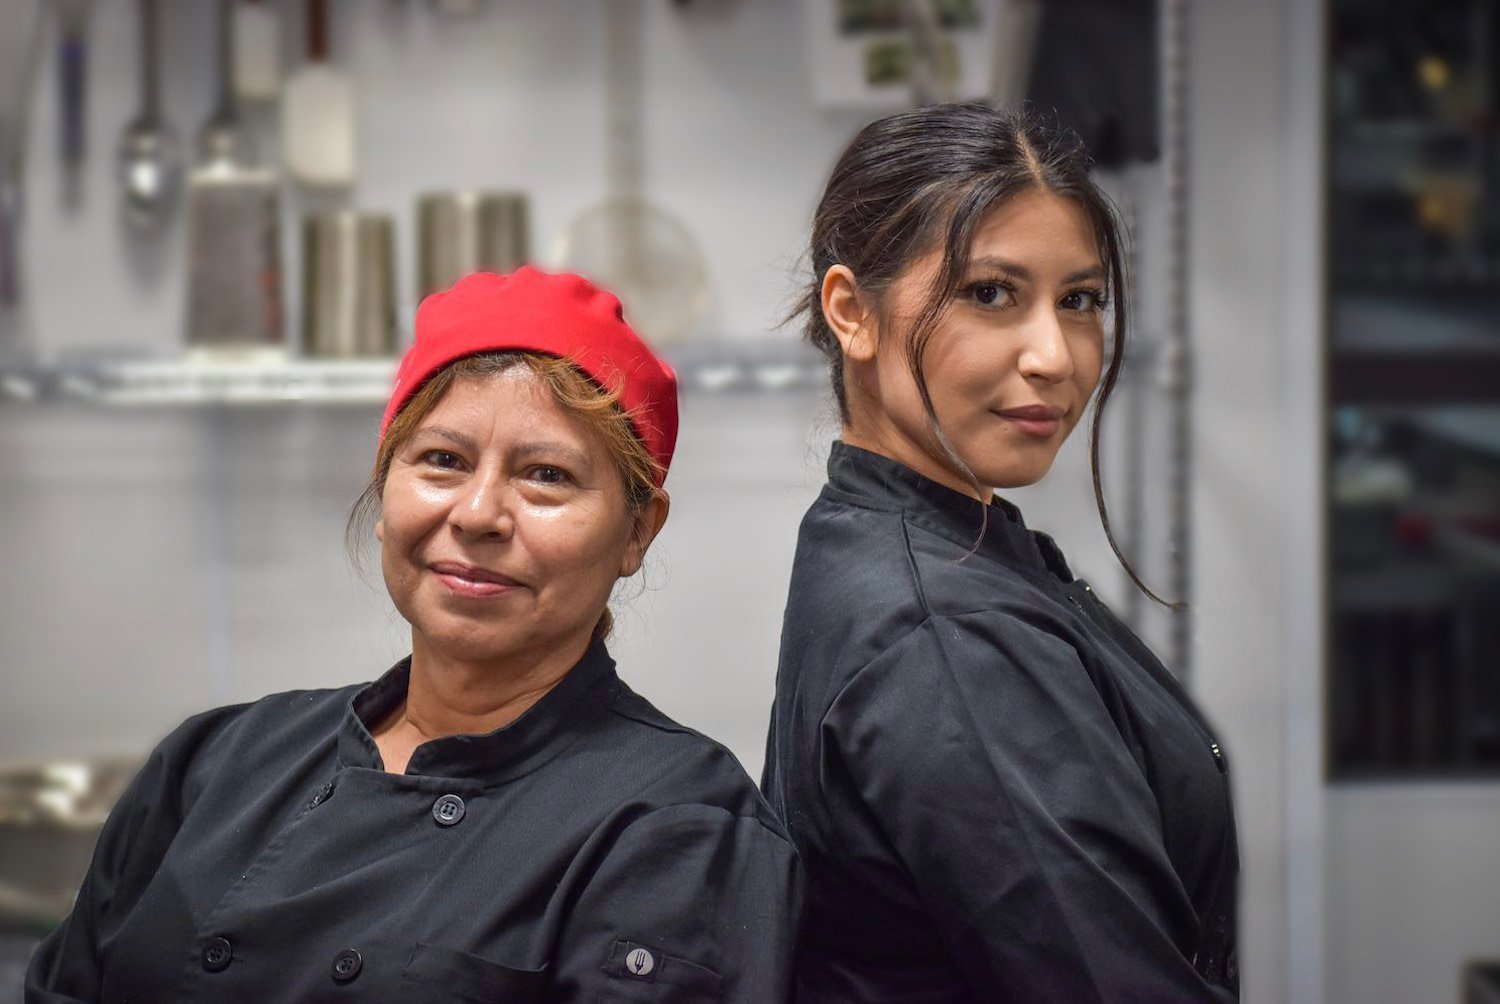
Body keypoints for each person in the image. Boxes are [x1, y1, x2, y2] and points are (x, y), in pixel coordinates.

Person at [28, 267, 800, 1003]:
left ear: (638, 531)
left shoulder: (680, 830)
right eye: (442, 461)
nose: (476, 514)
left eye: (547, 476)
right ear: (386, 478)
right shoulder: (214, 763)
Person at [762, 103, 1238, 1002]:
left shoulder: (895, 537)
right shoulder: (946, 634)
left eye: (1081, 300)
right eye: (991, 294)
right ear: (851, 311)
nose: (1055, 355)